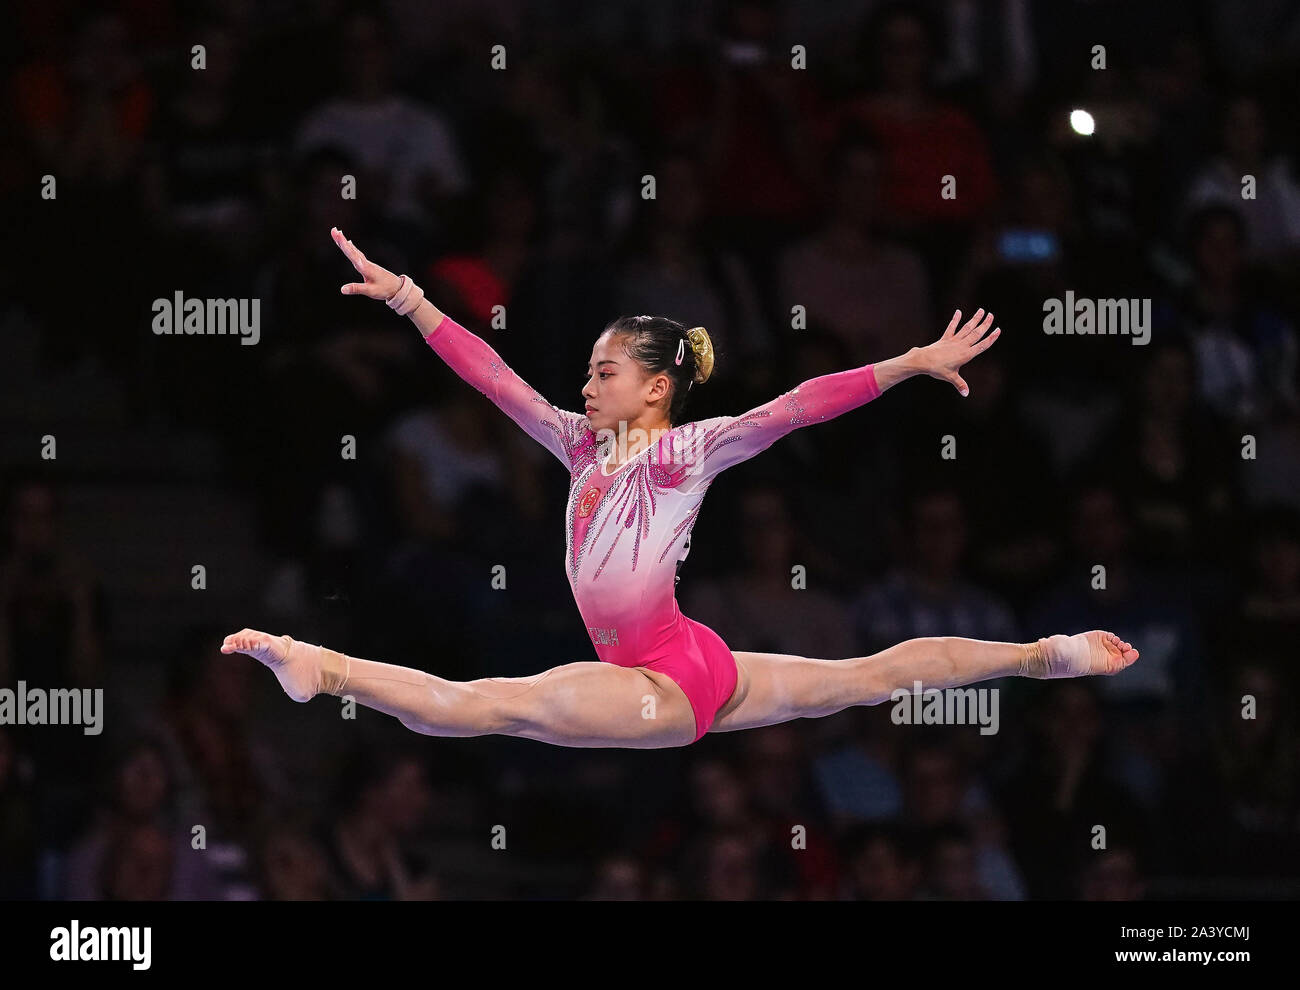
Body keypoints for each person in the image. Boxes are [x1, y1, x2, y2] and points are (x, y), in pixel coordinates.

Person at [222, 227, 1140, 751]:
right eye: (587, 370)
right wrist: (410, 300)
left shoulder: (687, 452)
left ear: (657, 387)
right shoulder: (580, 445)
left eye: (607, 372)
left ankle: (322, 667)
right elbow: (494, 378)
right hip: (687, 653)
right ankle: (1043, 655)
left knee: (492, 704)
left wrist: (909, 361)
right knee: (871, 676)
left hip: (667, 682)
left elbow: (796, 408)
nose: (587, 385)